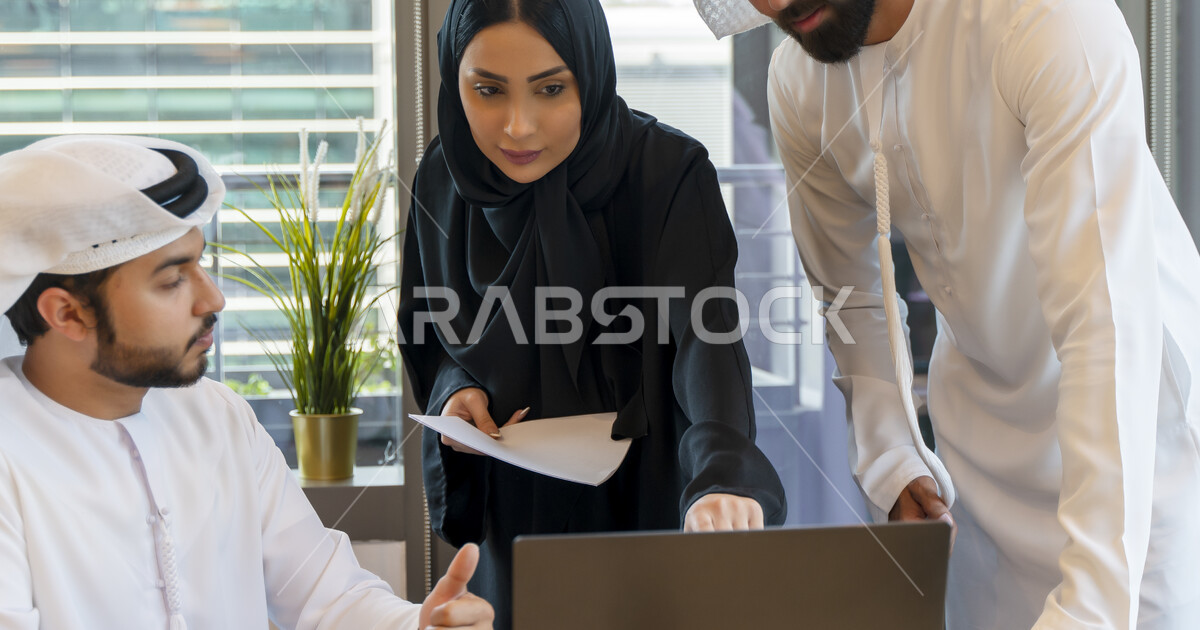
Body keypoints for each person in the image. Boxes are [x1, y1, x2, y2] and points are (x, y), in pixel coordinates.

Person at [691, 0, 1200, 627]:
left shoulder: (1046, 20)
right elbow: (851, 299)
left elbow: (1105, 325)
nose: (773, 3)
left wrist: (1093, 605)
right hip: (979, 461)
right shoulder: (797, 82)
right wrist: (891, 457)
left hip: (1139, 453)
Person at [396, 0, 789, 627]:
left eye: (551, 88)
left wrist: (723, 473)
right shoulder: (448, 177)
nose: (518, 127)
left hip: (646, 496)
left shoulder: (666, 173)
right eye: (488, 90)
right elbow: (434, 331)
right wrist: (456, 389)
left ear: (591, 70)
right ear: (455, 79)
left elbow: (706, 339)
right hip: (516, 512)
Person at [0, 135, 495, 630]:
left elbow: (328, 598)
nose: (212, 299)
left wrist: (420, 626)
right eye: (173, 281)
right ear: (67, 313)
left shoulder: (217, 413)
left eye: (201, 264)